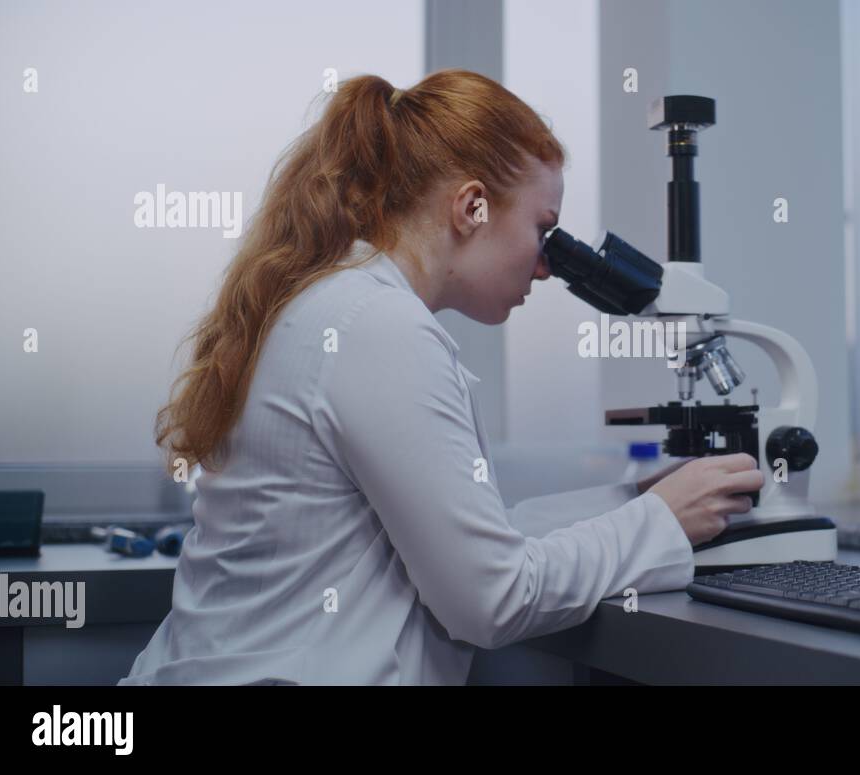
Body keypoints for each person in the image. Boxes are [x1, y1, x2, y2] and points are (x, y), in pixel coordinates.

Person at [120, 69, 761, 685]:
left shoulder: (334, 302)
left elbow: (465, 541)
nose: (547, 267)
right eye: (543, 230)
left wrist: (630, 501)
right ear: (471, 207)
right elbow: (492, 599)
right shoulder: (381, 326)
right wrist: (659, 523)